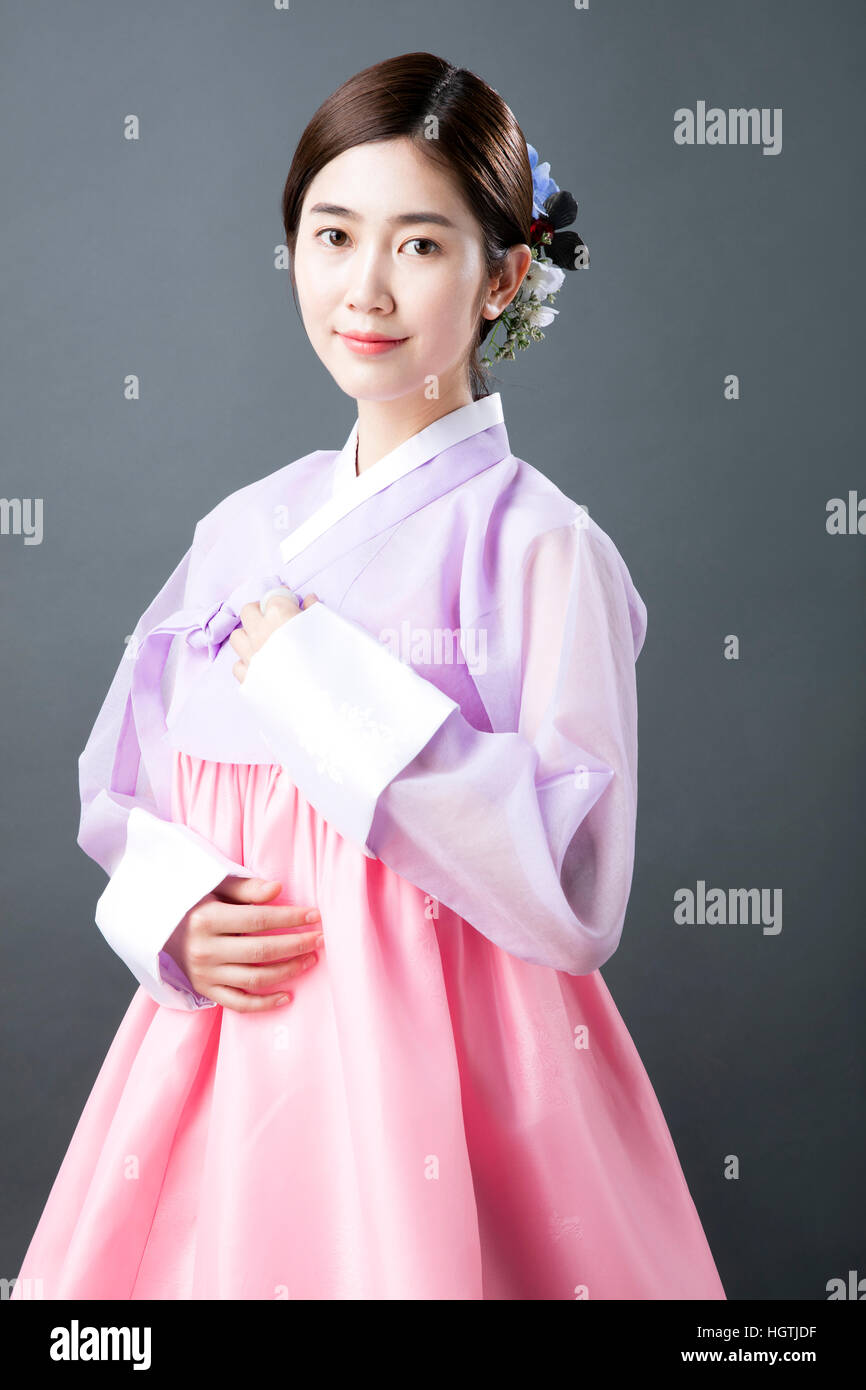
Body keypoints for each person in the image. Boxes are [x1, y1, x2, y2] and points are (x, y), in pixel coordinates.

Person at [12, 51, 726, 1300]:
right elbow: (115, 787)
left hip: (445, 1091)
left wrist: (309, 675)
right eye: (332, 233)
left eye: (421, 245)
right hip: (228, 1074)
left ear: (504, 272)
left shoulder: (543, 547)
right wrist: (174, 910)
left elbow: (572, 886)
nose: (366, 288)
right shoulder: (238, 529)